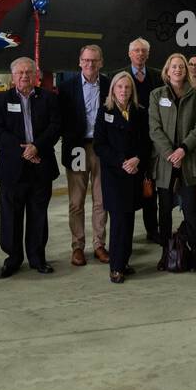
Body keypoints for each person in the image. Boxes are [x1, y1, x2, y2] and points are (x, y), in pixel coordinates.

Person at [0, 57, 62, 277]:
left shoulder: (49, 98)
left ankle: (37, 257)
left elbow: (55, 126)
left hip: (41, 165)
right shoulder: (1, 100)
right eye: (20, 73)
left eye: (29, 72)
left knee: (38, 214)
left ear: (36, 75)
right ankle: (12, 259)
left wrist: (36, 147)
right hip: (12, 168)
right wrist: (23, 150)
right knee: (11, 216)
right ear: (13, 76)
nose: (24, 76)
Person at [148, 52, 196, 270]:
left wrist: (183, 150)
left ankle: (193, 255)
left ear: (186, 71)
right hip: (165, 163)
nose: (177, 70)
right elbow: (154, 129)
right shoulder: (156, 95)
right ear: (167, 70)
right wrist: (170, 154)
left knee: (191, 211)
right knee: (164, 211)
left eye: (181, 67)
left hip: (188, 160)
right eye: (173, 66)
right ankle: (166, 254)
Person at [94, 71, 148, 284]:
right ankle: (115, 267)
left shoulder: (140, 112)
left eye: (127, 87)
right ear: (113, 90)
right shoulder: (104, 111)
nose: (124, 91)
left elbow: (146, 142)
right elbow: (100, 144)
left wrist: (137, 159)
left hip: (134, 173)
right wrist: (121, 161)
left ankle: (124, 261)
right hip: (115, 175)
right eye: (120, 87)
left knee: (129, 221)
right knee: (118, 222)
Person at [59, 44, 109, 267]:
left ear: (101, 63)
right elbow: (61, 120)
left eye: (94, 60)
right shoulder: (67, 87)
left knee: (101, 200)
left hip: (101, 148)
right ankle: (78, 246)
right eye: (86, 60)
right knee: (76, 201)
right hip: (78, 148)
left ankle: (99, 244)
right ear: (80, 62)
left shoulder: (109, 85)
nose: (90, 64)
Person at [121, 38, 161, 244]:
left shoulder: (156, 76)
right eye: (136, 50)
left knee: (149, 189)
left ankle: (152, 229)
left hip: (151, 141)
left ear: (148, 54)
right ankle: (124, 234)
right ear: (130, 54)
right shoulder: (119, 77)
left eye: (143, 51)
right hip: (127, 143)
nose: (139, 54)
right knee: (126, 190)